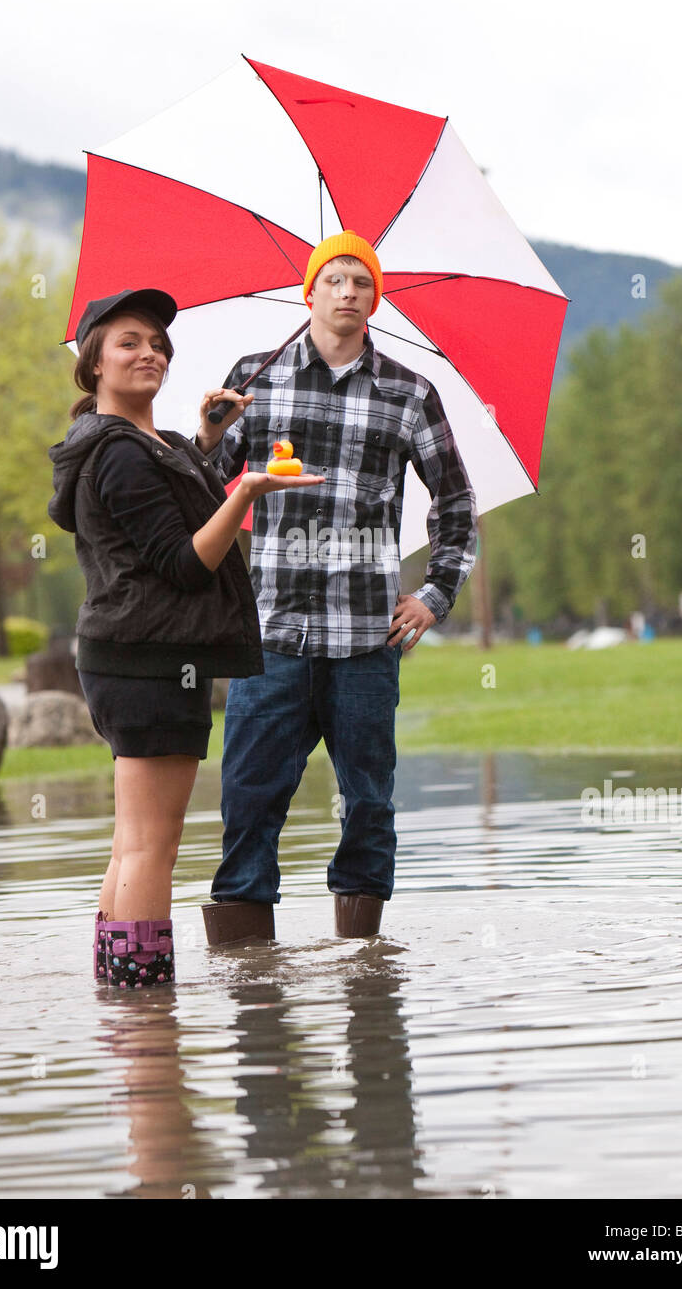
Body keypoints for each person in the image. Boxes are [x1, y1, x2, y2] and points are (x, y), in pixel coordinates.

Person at [193, 232, 478, 943]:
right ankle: (249, 986)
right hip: (271, 637)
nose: (349, 291)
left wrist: (435, 595)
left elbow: (456, 503)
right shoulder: (252, 381)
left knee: (369, 805)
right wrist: (205, 437)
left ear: (374, 300)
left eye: (362, 282)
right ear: (309, 293)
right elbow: (199, 494)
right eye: (335, 279)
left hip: (367, 640)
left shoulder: (410, 394)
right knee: (249, 799)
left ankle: (364, 972)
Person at [47, 288, 324, 985]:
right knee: (150, 847)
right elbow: (184, 563)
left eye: (158, 343)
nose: (150, 353)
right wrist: (244, 494)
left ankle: (122, 1000)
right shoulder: (120, 453)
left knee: (130, 845)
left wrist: (205, 440)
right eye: (129, 342)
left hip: (132, 657)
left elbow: (167, 506)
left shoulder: (146, 444)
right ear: (94, 364)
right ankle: (145, 1005)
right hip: (151, 661)